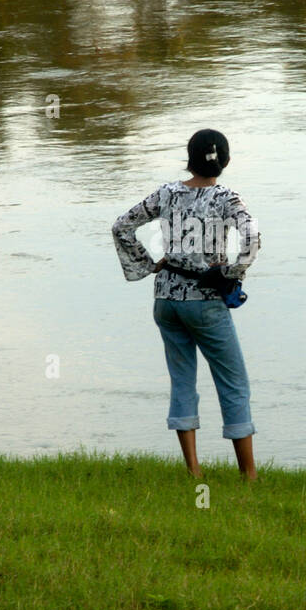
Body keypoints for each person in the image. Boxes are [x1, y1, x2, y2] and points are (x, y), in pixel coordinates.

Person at [112, 129, 261, 479]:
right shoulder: (226, 197)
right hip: (205, 301)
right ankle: (249, 475)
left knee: (182, 380)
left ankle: (193, 471)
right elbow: (253, 238)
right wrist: (231, 272)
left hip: (166, 299)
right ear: (223, 160)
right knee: (233, 382)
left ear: (189, 157)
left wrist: (149, 265)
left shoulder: (167, 192)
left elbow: (122, 226)